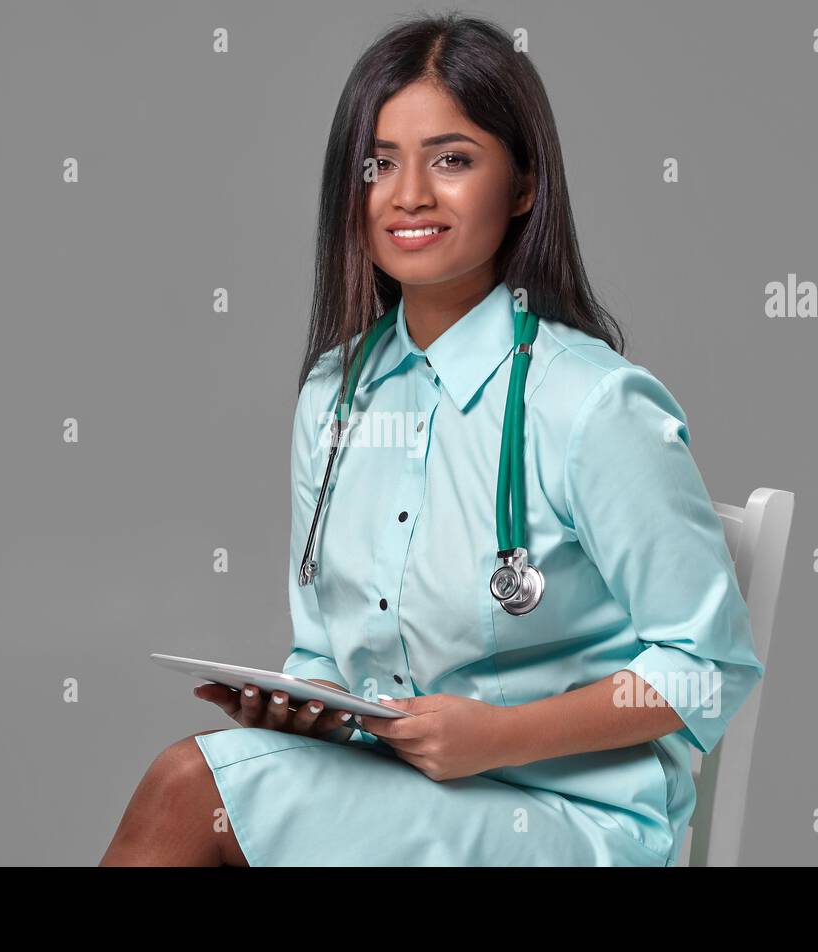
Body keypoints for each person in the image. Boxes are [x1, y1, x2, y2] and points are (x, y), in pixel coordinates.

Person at [100, 12, 764, 867]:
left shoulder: (593, 405)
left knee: (191, 788)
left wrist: (502, 736)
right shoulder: (336, 394)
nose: (408, 194)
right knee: (208, 790)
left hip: (573, 819)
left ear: (523, 184)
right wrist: (311, 706)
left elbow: (710, 666)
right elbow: (325, 647)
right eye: (379, 164)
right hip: (402, 790)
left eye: (451, 159)